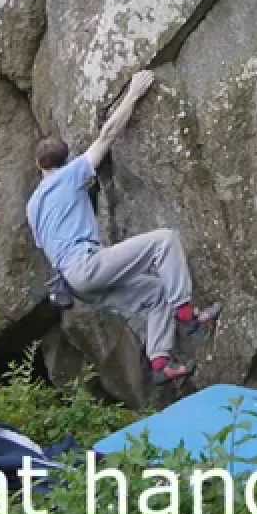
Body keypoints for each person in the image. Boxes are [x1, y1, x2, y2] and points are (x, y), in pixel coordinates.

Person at [25, 70, 219, 384]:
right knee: (165, 241)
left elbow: (43, 244)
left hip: (74, 285)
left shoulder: (33, 206)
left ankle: (160, 363)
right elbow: (108, 134)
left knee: (155, 293)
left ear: (39, 166)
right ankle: (186, 314)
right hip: (87, 265)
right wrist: (134, 93)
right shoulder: (70, 175)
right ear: (66, 159)